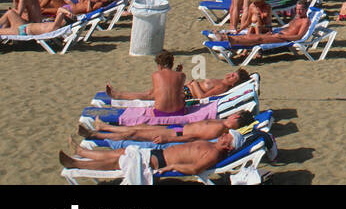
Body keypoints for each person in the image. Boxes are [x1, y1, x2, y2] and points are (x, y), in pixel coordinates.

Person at [59, 130, 242, 175]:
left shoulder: (214, 155)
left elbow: (195, 169)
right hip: (159, 153)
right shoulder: (212, 145)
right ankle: (82, 151)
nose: (223, 135)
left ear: (229, 147)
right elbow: (188, 142)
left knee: (117, 161)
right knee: (121, 152)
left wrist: (171, 166)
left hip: (160, 162)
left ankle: (76, 163)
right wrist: (168, 139)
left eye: (227, 136)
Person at [80, 110, 253, 144]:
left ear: (236, 116)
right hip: (178, 127)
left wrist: (168, 138)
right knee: (140, 126)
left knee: (134, 133)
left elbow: (193, 138)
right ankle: (103, 126)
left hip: (177, 133)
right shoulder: (221, 122)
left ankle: (96, 135)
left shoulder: (218, 129)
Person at [105, 51, 187, 114]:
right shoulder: (182, 75)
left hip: (160, 113)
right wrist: (178, 72)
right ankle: (117, 94)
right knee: (157, 92)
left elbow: (158, 90)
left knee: (149, 93)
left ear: (159, 65)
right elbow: (171, 83)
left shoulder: (156, 75)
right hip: (179, 112)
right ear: (172, 64)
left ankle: (117, 95)